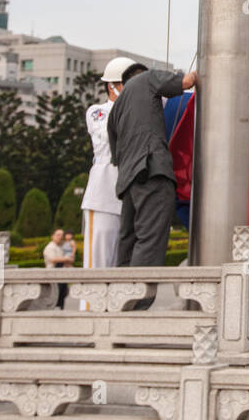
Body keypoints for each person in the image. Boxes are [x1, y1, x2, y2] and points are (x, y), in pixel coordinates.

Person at [107, 62, 196, 275]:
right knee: (151, 238)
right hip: (151, 171)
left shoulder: (115, 111)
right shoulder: (146, 79)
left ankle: (122, 297)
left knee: (128, 240)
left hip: (128, 182)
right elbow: (186, 82)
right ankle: (136, 301)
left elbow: (115, 155)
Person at [80, 56, 131, 274]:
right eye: (129, 82)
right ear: (112, 86)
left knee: (121, 266)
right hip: (103, 196)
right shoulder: (97, 112)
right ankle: (90, 309)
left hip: (128, 195)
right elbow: (109, 136)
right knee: (97, 265)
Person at [42, 229, 73, 308]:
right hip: (53, 276)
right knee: (54, 298)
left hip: (61, 276)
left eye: (62, 235)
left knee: (62, 296)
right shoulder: (50, 247)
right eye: (58, 235)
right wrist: (66, 259)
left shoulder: (61, 247)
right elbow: (53, 259)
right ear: (53, 236)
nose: (60, 237)